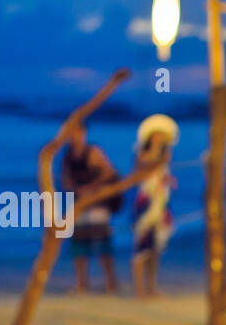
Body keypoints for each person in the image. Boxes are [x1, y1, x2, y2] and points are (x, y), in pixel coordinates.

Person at [61, 122, 120, 293]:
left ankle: (111, 283)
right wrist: (75, 190)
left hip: (98, 203)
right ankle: (81, 283)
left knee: (102, 243)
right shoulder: (68, 156)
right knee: (79, 244)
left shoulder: (93, 151)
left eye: (78, 133)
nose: (75, 137)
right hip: (79, 203)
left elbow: (110, 172)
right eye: (72, 133)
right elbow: (66, 181)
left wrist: (92, 188)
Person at [130, 114, 179, 299]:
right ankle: (140, 290)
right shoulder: (142, 154)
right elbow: (141, 172)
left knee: (155, 248)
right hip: (146, 202)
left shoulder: (165, 156)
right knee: (141, 247)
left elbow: (162, 174)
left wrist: (168, 178)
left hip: (161, 202)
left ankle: (151, 287)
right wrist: (160, 158)